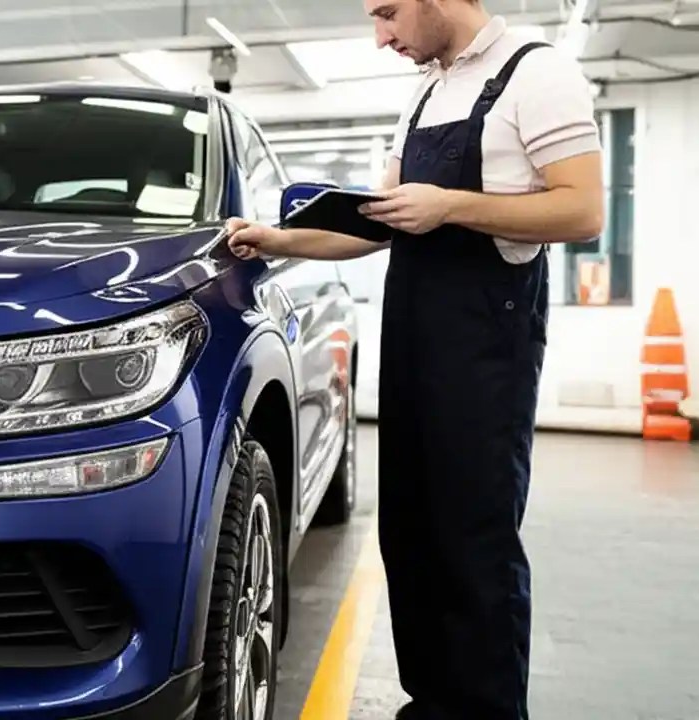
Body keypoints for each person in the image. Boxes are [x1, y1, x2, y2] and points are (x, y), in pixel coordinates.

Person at [227, 1, 605, 719]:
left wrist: (450, 205)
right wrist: (275, 240)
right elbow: (380, 226)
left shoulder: (536, 72)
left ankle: (486, 710)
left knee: (473, 538)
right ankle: (431, 702)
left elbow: (582, 211)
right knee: (411, 530)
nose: (381, 37)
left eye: (389, 13)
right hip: (413, 334)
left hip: (484, 345)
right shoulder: (426, 94)